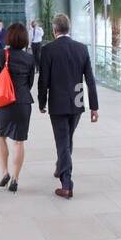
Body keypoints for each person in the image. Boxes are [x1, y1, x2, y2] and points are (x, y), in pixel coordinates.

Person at [37, 14, 99, 199]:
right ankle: (60, 167)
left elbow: (43, 81)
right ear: (68, 29)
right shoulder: (81, 49)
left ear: (55, 29)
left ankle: (66, 184)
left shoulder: (48, 50)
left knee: (63, 141)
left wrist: (42, 102)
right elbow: (90, 80)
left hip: (57, 102)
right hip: (77, 101)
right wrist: (94, 107)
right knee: (67, 138)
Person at [0, 23, 37, 193]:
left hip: (5, 102)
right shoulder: (30, 58)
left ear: (8, 37)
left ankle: (4, 173)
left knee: (1, 136)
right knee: (19, 141)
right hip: (23, 102)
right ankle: (16, 179)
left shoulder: (1, 55)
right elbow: (30, 83)